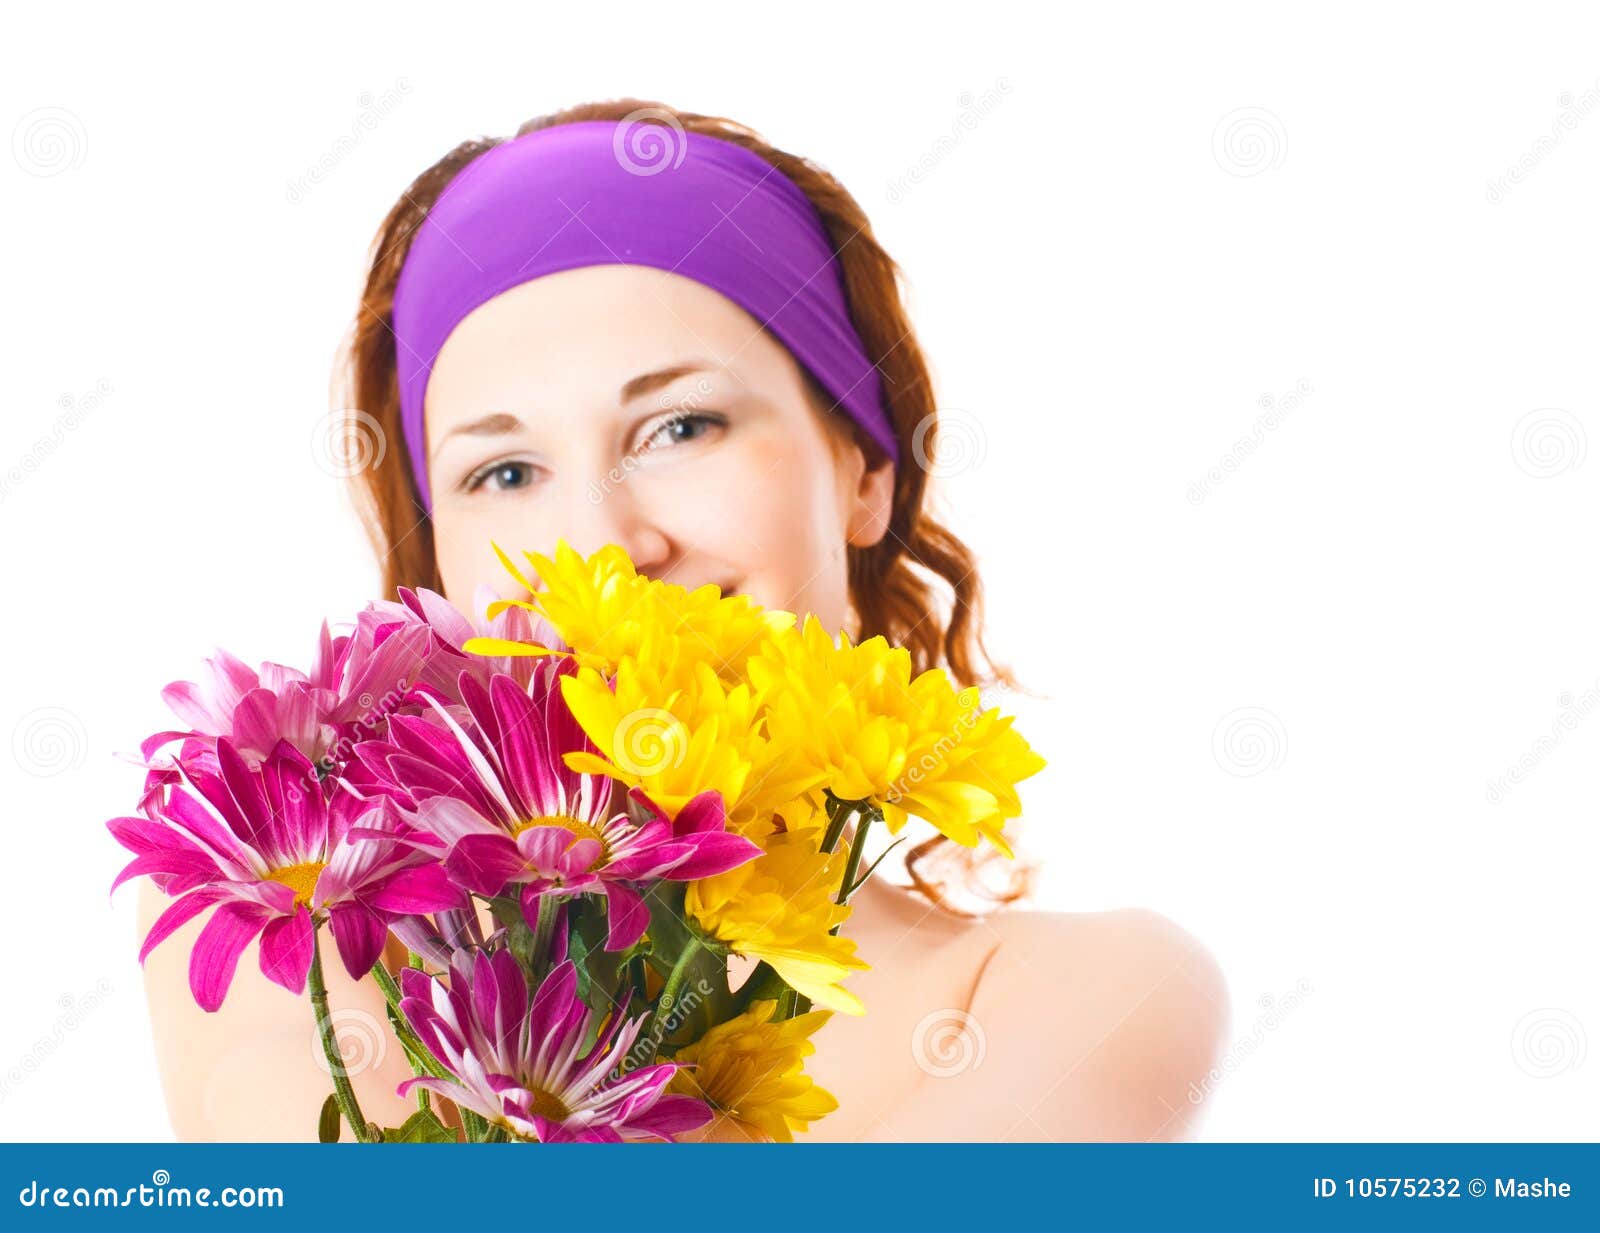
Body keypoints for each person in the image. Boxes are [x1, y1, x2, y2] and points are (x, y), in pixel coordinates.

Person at [137, 99, 1227, 1142]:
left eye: (681, 426)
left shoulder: (1083, 991)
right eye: (505, 470)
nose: (605, 546)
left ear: (866, 470)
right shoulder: (283, 920)